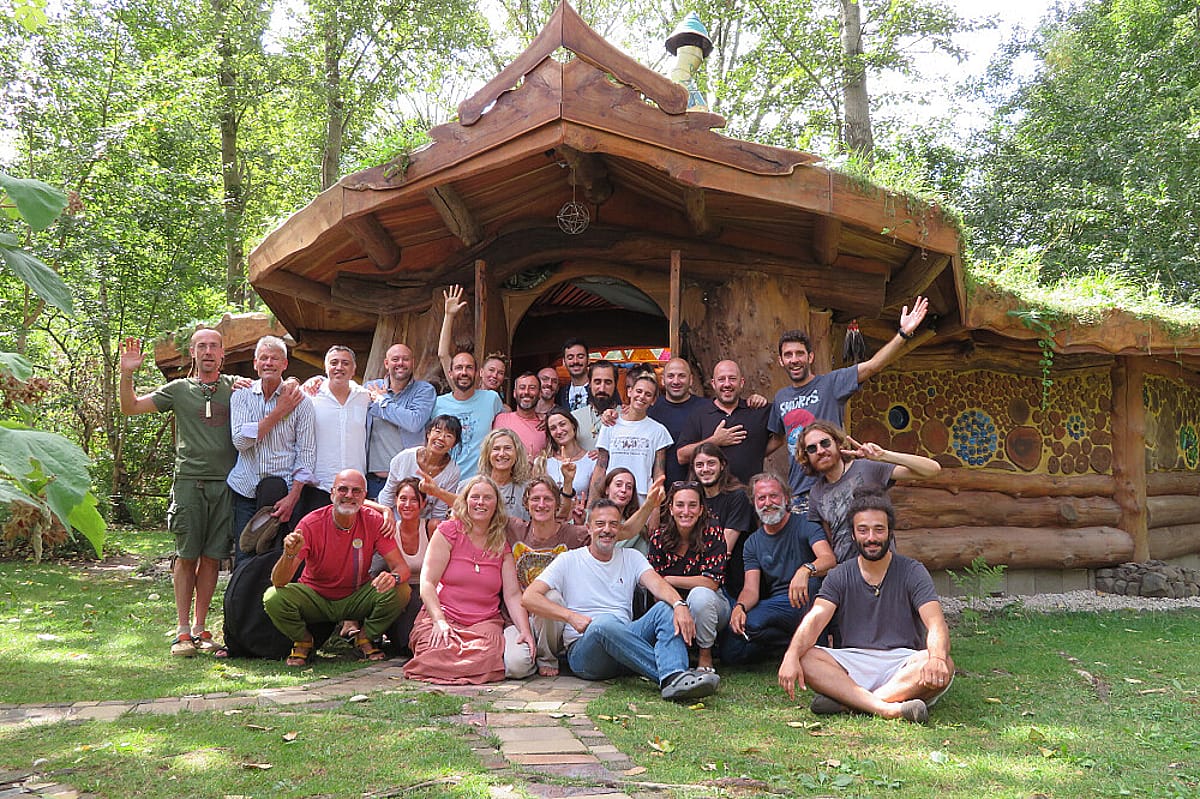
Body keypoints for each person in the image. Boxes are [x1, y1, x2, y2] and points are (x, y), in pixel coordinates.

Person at [777, 490, 953, 724]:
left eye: (879, 529)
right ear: (852, 534)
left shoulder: (913, 571)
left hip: (901, 663)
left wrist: (937, 659)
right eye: (863, 530)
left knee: (944, 663)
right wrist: (791, 655)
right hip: (853, 661)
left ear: (890, 533)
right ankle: (888, 708)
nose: (871, 537)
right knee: (806, 657)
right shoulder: (839, 575)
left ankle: (850, 702)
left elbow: (936, 624)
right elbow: (816, 619)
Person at [522, 499, 721, 702]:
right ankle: (674, 677)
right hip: (585, 653)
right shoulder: (569, 560)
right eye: (600, 524)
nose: (607, 530)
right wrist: (570, 617)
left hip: (625, 643)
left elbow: (658, 585)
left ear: (619, 529)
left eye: (613, 524)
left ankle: (675, 674)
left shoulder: (632, 557)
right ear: (588, 528)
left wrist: (679, 605)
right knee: (604, 623)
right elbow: (529, 597)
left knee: (665, 607)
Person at [118, 330, 240, 656]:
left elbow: (273, 387)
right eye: (202, 346)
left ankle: (201, 629)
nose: (209, 351)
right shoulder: (179, 390)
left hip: (225, 485)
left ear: (223, 353)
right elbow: (130, 407)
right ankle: (182, 630)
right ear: (193, 353)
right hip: (190, 483)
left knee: (213, 557)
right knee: (187, 556)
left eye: (214, 345)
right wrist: (127, 373)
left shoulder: (236, 386)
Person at [768, 298, 928, 512]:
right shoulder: (781, 397)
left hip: (837, 484)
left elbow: (872, 366)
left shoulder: (831, 383)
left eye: (800, 354)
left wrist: (903, 334)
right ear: (781, 361)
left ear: (810, 357)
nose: (794, 359)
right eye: (788, 355)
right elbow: (778, 437)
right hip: (801, 492)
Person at [508, 476, 663, 675]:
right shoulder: (514, 528)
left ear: (557, 504)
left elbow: (622, 530)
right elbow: (476, 510)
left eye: (547, 499)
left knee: (551, 596)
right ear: (526, 503)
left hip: (555, 622)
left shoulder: (573, 534)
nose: (541, 505)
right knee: (516, 667)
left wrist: (649, 504)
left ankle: (548, 657)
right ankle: (668, 671)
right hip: (523, 615)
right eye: (535, 499)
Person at [263, 470, 409, 666]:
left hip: (356, 595)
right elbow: (279, 582)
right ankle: (304, 641)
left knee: (401, 590)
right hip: (316, 597)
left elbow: (401, 568)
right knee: (273, 597)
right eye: (343, 489)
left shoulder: (374, 521)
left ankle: (364, 637)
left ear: (364, 496)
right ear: (332, 493)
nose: (349, 495)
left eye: (356, 491)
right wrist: (288, 554)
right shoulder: (310, 523)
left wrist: (394, 578)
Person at [403, 476, 536, 684]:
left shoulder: (501, 543)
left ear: (496, 505)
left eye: (487, 498)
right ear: (465, 502)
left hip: (483, 622)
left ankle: (455, 669)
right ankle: (464, 669)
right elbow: (427, 582)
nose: (480, 502)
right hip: (444, 616)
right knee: (434, 649)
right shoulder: (448, 531)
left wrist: (525, 631)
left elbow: (512, 595)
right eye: (475, 497)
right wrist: (439, 622)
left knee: (489, 655)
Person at [721, 472, 836, 665]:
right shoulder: (752, 542)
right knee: (731, 651)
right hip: (778, 605)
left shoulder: (806, 525)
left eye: (773, 496)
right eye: (761, 498)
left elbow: (828, 558)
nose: (768, 503)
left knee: (813, 585)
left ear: (786, 498)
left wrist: (805, 570)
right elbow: (751, 589)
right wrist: (739, 607)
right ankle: (792, 643)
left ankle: (815, 645)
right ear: (754, 502)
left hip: (807, 600)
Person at [227, 336, 316, 563]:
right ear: (255, 364)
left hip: (284, 494)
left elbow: (306, 453)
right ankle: (242, 599)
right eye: (263, 358)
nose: (268, 363)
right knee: (245, 556)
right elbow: (240, 442)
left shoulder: (301, 402)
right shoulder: (241, 396)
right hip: (246, 490)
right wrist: (279, 412)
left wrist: (293, 496)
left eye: (274, 358)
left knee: (280, 560)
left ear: (284, 364)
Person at [801, 422, 941, 563]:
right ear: (807, 456)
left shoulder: (867, 468)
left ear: (838, 443)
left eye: (825, 443)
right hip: (847, 573)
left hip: (883, 568)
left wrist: (884, 455)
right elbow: (830, 538)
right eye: (812, 448)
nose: (820, 450)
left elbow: (932, 470)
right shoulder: (816, 493)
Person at [645, 481, 730, 672]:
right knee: (663, 606)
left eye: (692, 505)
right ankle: (674, 659)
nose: (686, 511)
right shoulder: (658, 538)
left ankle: (705, 655)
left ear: (701, 510)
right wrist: (676, 602)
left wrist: (668, 580)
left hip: (711, 605)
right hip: (671, 604)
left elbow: (711, 582)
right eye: (680, 505)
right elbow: (654, 588)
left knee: (700, 596)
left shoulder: (712, 532)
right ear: (671, 508)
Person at [678, 360, 781, 486]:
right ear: (713, 384)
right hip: (711, 496)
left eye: (732, 378)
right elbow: (681, 456)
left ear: (741, 382)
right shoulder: (700, 415)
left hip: (749, 496)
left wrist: (755, 454)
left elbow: (779, 438)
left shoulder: (758, 410)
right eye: (721, 379)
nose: (727, 384)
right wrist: (715, 441)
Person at [299, 345, 371, 517]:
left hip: (355, 487)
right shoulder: (310, 395)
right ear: (326, 368)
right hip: (320, 484)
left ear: (354, 369)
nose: (339, 367)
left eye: (345, 363)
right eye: (334, 363)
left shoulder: (365, 397)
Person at [364, 343, 436, 499]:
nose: (400, 363)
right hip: (373, 480)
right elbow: (343, 388)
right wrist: (316, 380)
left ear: (413, 362)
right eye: (395, 359)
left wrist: (382, 402)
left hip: (409, 480)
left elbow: (413, 422)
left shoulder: (424, 390)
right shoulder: (371, 387)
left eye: (405, 359)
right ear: (386, 363)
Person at [589, 373, 672, 507]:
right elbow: (600, 467)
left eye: (648, 394)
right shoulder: (611, 424)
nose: (642, 396)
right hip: (612, 497)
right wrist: (591, 504)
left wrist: (655, 509)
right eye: (638, 391)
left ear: (653, 400)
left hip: (642, 499)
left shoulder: (658, 431)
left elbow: (659, 474)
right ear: (629, 391)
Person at [690, 442, 755, 599]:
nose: (705, 469)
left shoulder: (738, 497)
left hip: (731, 585)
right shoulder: (693, 500)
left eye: (711, 463)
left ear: (722, 465)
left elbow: (724, 549)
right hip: (697, 577)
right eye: (699, 465)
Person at [370, 477, 428, 654]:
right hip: (399, 592)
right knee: (403, 644)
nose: (407, 504)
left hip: (426, 593)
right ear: (395, 501)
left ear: (423, 503)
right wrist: (383, 509)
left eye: (414, 500)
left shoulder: (432, 528)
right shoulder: (388, 529)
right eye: (403, 499)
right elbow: (357, 503)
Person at [377, 414, 462, 524]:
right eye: (437, 431)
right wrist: (386, 518)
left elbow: (439, 512)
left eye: (449, 436)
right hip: (395, 519)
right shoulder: (403, 458)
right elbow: (388, 493)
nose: (441, 438)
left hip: (423, 524)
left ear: (454, 444)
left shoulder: (453, 471)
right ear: (428, 434)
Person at [648, 358, 707, 484]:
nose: (676, 381)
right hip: (658, 487)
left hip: (698, 488)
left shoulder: (706, 408)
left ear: (691, 380)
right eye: (671, 376)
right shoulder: (650, 408)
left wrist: (754, 401)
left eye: (681, 376)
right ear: (663, 380)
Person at [478, 428, 532, 521]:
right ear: (487, 454)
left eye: (508, 448)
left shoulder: (528, 489)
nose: (502, 454)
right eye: (496, 449)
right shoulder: (471, 487)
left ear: (517, 453)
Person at [493, 371, 547, 455]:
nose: (526, 392)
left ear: (540, 394)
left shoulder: (546, 426)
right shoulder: (499, 419)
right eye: (522, 387)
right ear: (514, 393)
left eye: (532, 388)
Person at [571, 360, 619, 451]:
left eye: (608, 383)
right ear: (589, 383)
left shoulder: (626, 416)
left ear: (615, 384)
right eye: (597, 382)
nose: (602, 388)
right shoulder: (574, 417)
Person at [556, 338, 590, 411]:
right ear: (564, 362)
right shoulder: (560, 394)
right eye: (570, 358)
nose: (575, 361)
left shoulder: (601, 389)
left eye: (580, 357)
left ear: (588, 359)